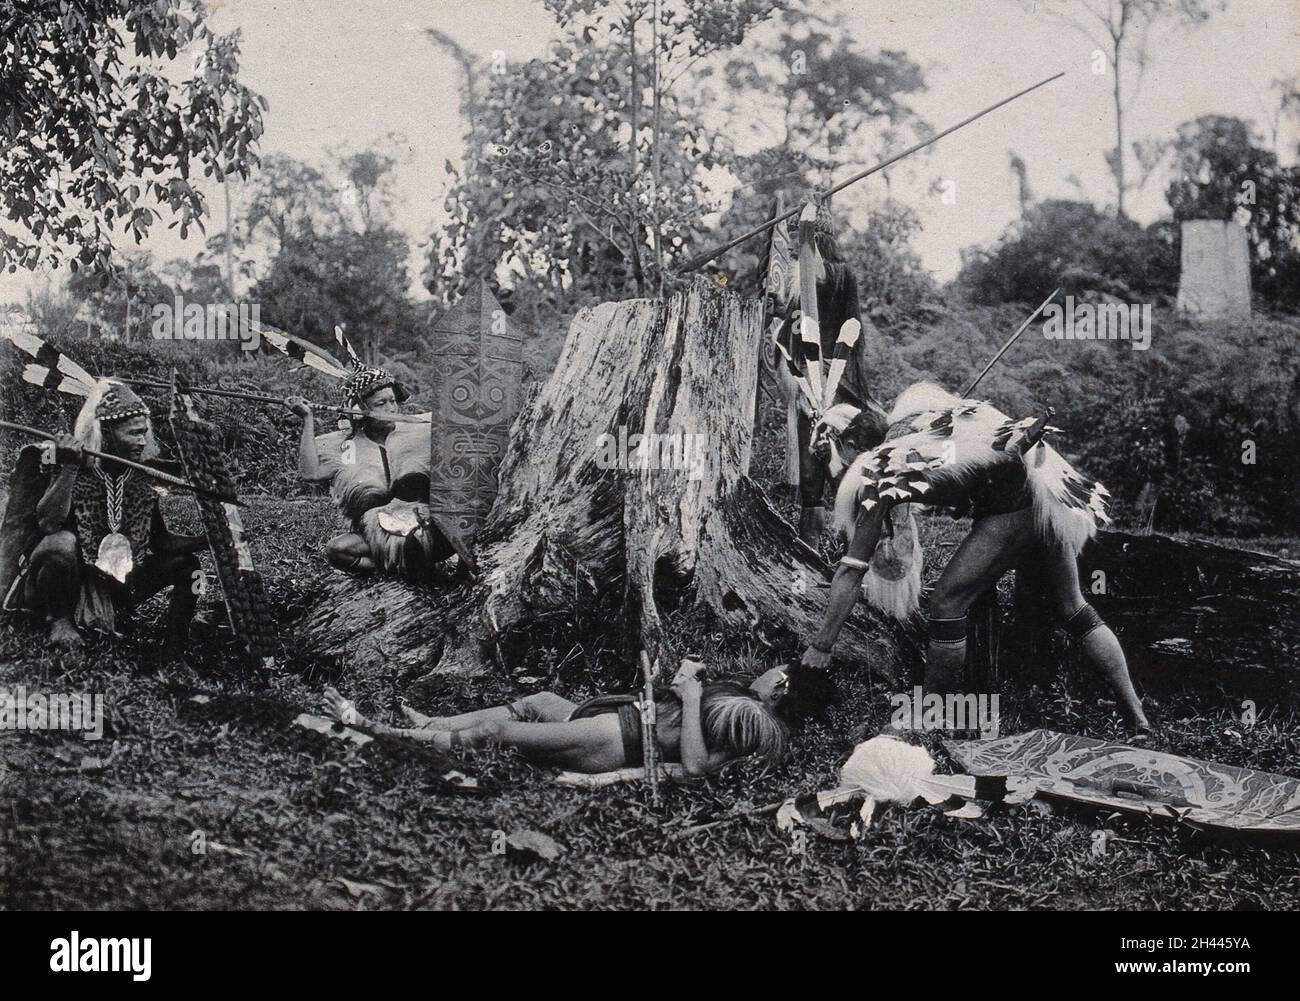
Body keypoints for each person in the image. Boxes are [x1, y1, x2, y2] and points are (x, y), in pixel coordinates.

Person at [799, 381, 1151, 735]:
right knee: (1073, 606)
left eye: (841, 456)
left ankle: (925, 716)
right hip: (1048, 494)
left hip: (1014, 508)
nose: (841, 467)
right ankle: (1136, 715)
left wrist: (822, 644)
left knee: (947, 602)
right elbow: (977, 464)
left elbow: (851, 571)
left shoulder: (882, 469)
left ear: (854, 446)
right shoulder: (925, 416)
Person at [322, 658, 835, 775]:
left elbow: (698, 766)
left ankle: (385, 733)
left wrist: (693, 696)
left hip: (622, 738)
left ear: (782, 686)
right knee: (542, 700)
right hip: (622, 719)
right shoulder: (746, 700)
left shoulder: (752, 719)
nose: (768, 669)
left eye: (777, 669)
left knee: (501, 732)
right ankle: (434, 723)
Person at [12, 383, 206, 660]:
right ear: (107, 431)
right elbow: (48, 524)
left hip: (114, 584)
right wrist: (69, 467)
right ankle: (59, 621)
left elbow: (161, 542)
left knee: (189, 567)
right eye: (134, 433)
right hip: (65, 583)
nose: (142, 441)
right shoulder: (65, 461)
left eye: (144, 433)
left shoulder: (140, 478)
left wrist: (209, 540)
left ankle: (173, 654)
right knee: (61, 543)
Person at [769, 201, 888, 545]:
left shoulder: (820, 271)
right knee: (830, 449)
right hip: (828, 372)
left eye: (799, 239)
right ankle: (845, 531)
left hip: (819, 375)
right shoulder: (843, 273)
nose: (792, 245)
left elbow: (810, 297)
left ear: (813, 240)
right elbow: (799, 314)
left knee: (817, 451)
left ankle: (815, 537)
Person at [285, 360, 458, 577]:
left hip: (430, 531)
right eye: (381, 403)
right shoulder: (346, 445)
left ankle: (428, 562)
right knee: (337, 550)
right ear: (360, 410)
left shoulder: (420, 429)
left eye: (393, 401)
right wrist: (307, 418)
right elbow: (310, 473)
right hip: (377, 538)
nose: (391, 408)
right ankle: (395, 569)